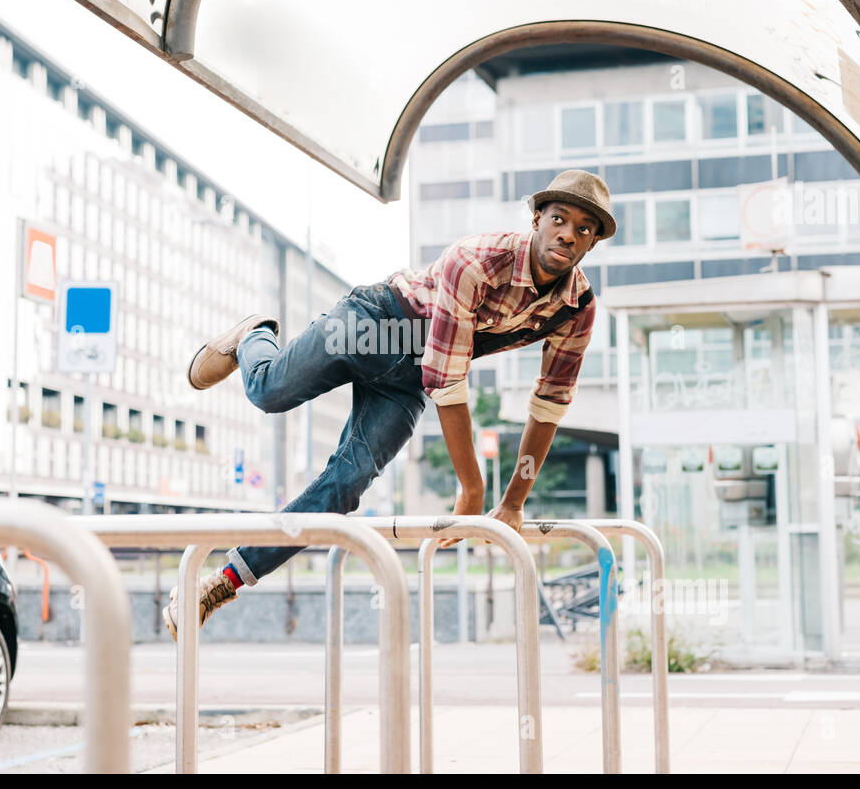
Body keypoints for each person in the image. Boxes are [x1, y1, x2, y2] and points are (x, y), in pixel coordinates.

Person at [162, 169, 616, 639]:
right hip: (372, 324)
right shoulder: (478, 260)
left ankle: (222, 582)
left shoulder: (578, 308)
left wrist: (513, 502)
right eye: (559, 219)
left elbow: (549, 403)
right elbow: (449, 381)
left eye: (584, 230)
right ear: (538, 217)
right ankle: (255, 334)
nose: (568, 234)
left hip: (408, 380)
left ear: (592, 244)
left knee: (345, 487)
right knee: (268, 392)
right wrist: (472, 490)